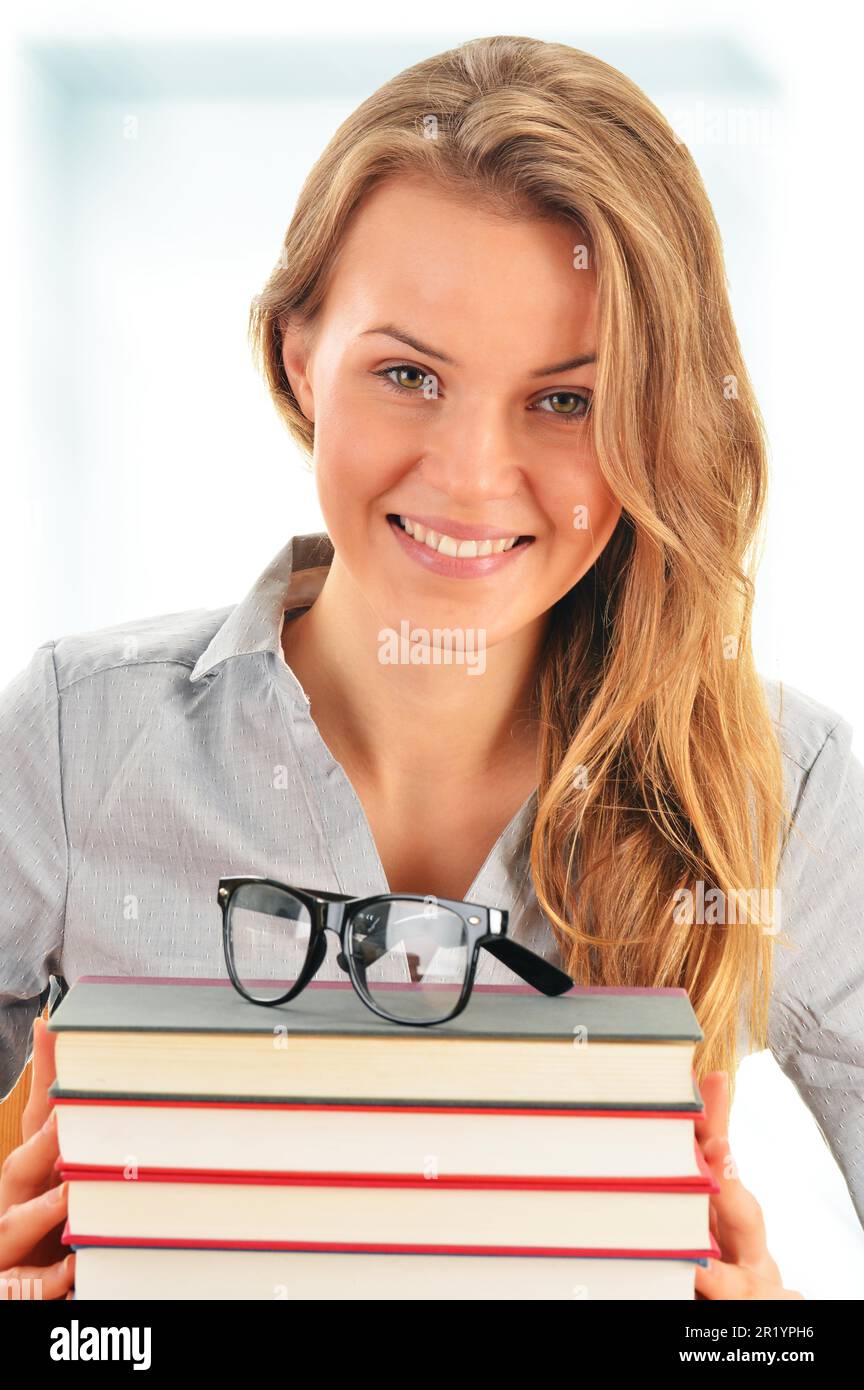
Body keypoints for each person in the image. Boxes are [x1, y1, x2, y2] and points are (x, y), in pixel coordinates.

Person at [3, 34, 862, 1300]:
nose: (470, 475)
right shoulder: (74, 744)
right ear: (300, 355)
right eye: (408, 374)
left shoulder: (778, 790)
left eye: (565, 400)